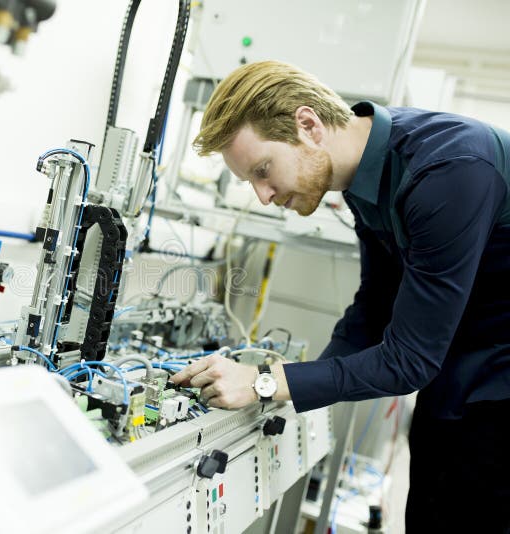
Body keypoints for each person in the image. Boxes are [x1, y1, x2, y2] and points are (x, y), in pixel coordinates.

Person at [170, 60, 510, 533]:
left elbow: (409, 361)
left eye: (263, 170)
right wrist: (289, 387)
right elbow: (375, 304)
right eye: (251, 181)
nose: (264, 196)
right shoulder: (360, 178)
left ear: (308, 125)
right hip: (457, 383)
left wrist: (269, 383)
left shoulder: (446, 172)